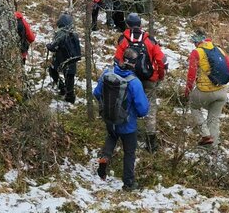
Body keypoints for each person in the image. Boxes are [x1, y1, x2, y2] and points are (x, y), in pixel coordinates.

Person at [94, 47, 149, 191]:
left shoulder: (108, 73)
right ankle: (128, 183)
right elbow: (143, 109)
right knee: (129, 152)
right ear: (134, 63)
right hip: (128, 124)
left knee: (112, 136)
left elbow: (96, 92)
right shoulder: (134, 82)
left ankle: (105, 158)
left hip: (109, 118)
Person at [114, 13, 167, 151]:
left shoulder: (123, 40)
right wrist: (160, 76)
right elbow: (161, 60)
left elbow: (117, 61)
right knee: (151, 107)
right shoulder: (149, 40)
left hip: (129, 79)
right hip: (149, 78)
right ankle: (151, 142)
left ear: (127, 24)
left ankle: (129, 134)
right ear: (140, 24)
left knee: (128, 104)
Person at [185, 30, 229, 147]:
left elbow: (191, 75)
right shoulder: (218, 49)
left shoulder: (196, 52)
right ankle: (213, 149)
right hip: (221, 91)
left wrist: (188, 91)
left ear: (196, 42)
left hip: (204, 91)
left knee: (193, 106)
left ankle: (205, 135)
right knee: (213, 119)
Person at [47, 12, 81, 102]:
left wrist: (48, 46)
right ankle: (70, 97)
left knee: (52, 70)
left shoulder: (61, 33)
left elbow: (53, 47)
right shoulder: (74, 33)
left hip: (62, 59)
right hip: (73, 59)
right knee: (70, 78)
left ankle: (62, 88)